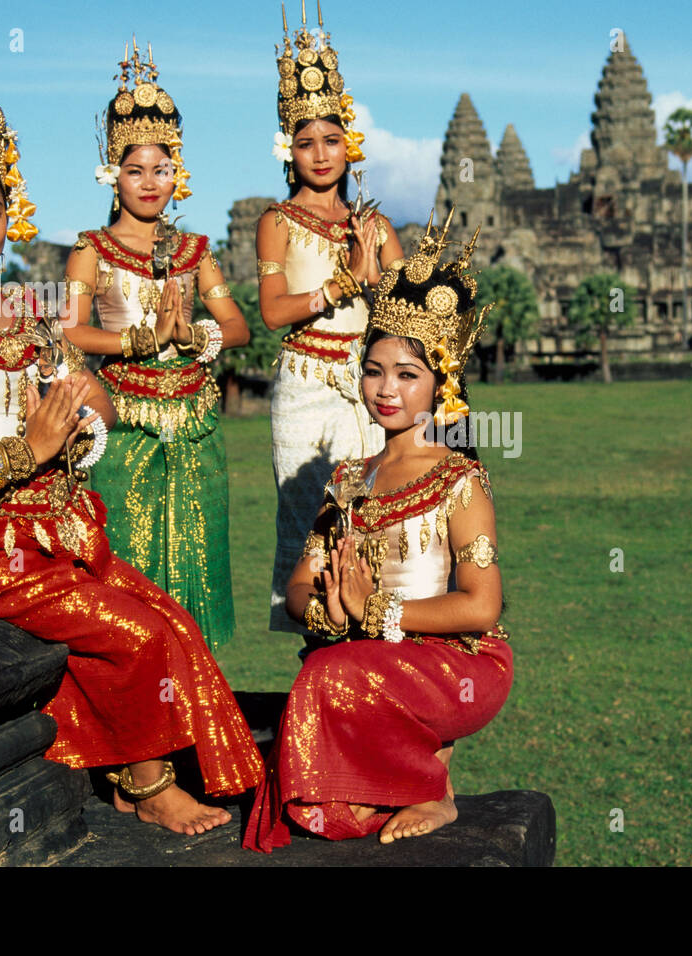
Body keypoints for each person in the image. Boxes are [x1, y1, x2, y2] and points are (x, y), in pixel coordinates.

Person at [0, 30, 261, 834]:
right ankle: (146, 783)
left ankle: (135, 774)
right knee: (136, 632)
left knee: (173, 621)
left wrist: (86, 405)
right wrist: (27, 450)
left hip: (61, 532)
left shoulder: (22, 316)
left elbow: (99, 411)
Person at [245, 213, 511, 851]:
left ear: (441, 385)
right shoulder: (348, 478)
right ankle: (387, 777)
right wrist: (334, 614)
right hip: (364, 652)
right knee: (326, 771)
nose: (386, 389)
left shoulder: (458, 478)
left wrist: (379, 611)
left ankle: (430, 785)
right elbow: (300, 588)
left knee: (327, 678)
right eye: (374, 370)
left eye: (407, 374)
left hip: (458, 662)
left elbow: (482, 607)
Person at [62, 41, 249, 652]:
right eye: (135, 169)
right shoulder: (91, 248)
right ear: (111, 172)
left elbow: (239, 326)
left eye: (161, 169)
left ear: (179, 174)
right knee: (131, 560)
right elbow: (69, 329)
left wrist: (195, 335)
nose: (149, 183)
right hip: (125, 424)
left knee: (197, 561)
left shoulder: (195, 253)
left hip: (195, 419)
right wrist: (140, 338)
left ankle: (196, 710)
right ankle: (135, 707)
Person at [259, 4, 404, 635]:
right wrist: (345, 281)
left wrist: (384, 284)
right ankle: (316, 667)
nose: (320, 154)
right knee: (311, 525)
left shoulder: (373, 225)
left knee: (372, 523)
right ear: (288, 149)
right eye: (305, 142)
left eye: (332, 140)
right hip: (306, 387)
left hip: (369, 389)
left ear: (350, 146)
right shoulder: (277, 222)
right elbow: (272, 312)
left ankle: (372, 659)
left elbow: (408, 311)